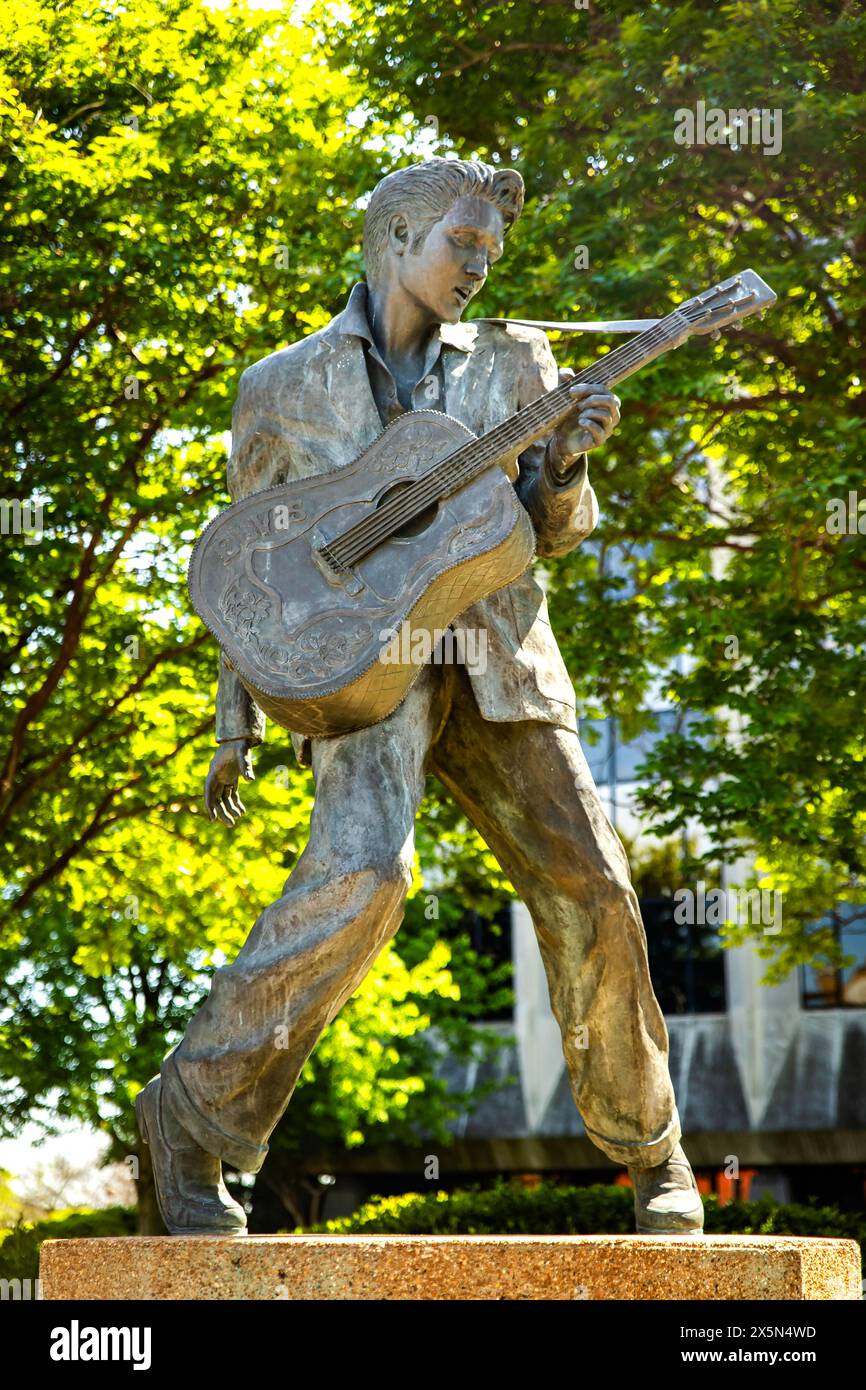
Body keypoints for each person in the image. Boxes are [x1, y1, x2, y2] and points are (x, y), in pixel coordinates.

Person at [137, 158, 704, 1238]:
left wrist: (567, 468)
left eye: (492, 252)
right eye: (463, 243)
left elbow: (550, 531)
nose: (480, 266)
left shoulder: (515, 362)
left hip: (498, 653)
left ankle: (653, 1154)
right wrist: (233, 720)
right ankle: (191, 1120)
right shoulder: (282, 386)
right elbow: (249, 566)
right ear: (395, 237)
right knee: (361, 879)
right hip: (357, 665)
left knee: (590, 881)